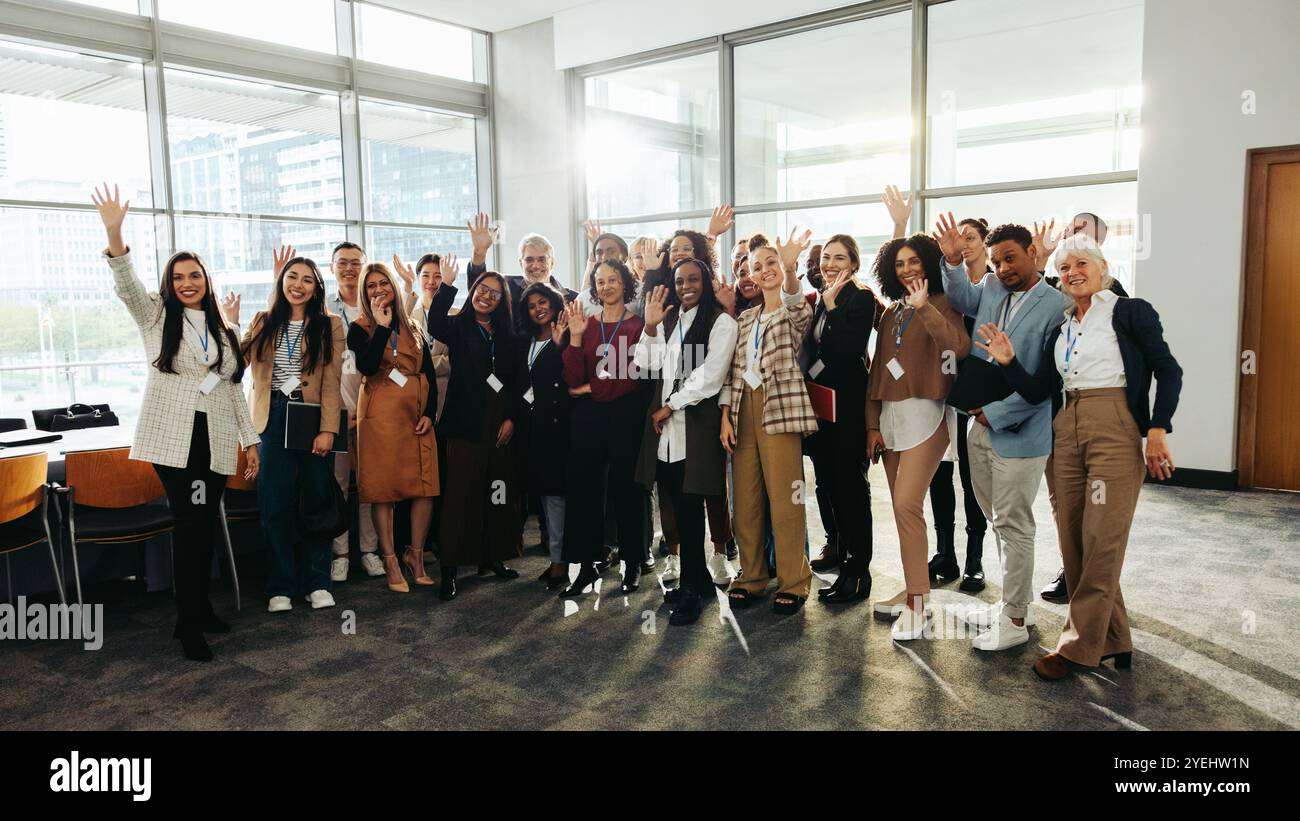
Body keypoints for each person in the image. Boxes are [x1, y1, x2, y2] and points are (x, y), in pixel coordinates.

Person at [971, 233, 1181, 679]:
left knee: (1102, 537)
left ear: (1102, 268)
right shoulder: (1063, 324)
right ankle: (1116, 640)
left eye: (1082, 264)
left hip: (1114, 425)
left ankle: (1077, 647)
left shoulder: (1129, 311)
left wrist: (1157, 428)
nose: (1073, 273)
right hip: (1065, 425)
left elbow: (1169, 369)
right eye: (1065, 268)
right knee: (1074, 538)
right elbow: (1037, 390)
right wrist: (1009, 361)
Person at [94, 184, 260, 663]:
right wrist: (114, 231)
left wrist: (250, 443)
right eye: (179, 276)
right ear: (170, 282)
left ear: (206, 279)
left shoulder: (223, 330)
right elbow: (126, 284)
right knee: (191, 525)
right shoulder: (156, 316)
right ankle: (188, 624)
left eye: (195, 275)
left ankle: (198, 608)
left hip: (215, 440)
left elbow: (231, 388)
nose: (188, 283)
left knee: (204, 524)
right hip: (175, 441)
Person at [934, 214, 1071, 651]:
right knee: (997, 521)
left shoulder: (1058, 305)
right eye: (996, 260)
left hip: (1021, 429)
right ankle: (1020, 604)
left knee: (1015, 524)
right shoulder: (992, 287)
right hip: (979, 423)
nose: (1003, 267)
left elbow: (1051, 383)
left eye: (1010, 257)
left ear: (1033, 253)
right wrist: (953, 261)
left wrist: (998, 412)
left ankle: (1013, 620)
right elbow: (958, 294)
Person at [866, 235, 970, 639]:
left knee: (907, 504)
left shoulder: (944, 304)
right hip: (891, 420)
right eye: (899, 264)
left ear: (928, 263)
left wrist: (925, 307)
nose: (907, 269)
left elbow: (957, 348)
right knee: (902, 509)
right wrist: (872, 425)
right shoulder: (890, 312)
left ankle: (920, 605)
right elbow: (877, 373)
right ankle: (913, 591)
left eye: (914, 261)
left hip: (928, 417)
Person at [232, 253, 345, 613]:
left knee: (317, 501)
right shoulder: (265, 320)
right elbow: (236, 365)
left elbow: (331, 382)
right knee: (274, 504)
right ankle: (280, 585)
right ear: (281, 282)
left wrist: (328, 429)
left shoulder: (331, 324)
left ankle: (317, 581)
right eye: (291, 277)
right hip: (271, 417)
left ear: (317, 288)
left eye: (307, 279)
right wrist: (235, 325)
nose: (298, 285)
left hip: (311, 416)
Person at [633, 259, 738, 625]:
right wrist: (649, 327)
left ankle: (693, 590)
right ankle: (699, 581)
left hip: (695, 427)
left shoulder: (721, 322)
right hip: (667, 433)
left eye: (694, 279)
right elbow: (648, 365)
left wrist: (670, 405)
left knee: (692, 511)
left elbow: (711, 377)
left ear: (706, 282)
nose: (686, 285)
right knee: (677, 508)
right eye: (680, 281)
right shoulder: (672, 319)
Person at [1032, 212, 1129, 605]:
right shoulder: (1055, 288)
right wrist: (1041, 265)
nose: (1074, 238)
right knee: (1065, 505)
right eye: (1071, 232)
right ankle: (1069, 569)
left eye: (1084, 235)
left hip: (1104, 418)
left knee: (1100, 516)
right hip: (1060, 414)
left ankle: (1093, 594)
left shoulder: (1114, 294)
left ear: (1100, 250)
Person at [719, 229, 817, 615]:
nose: (764, 270)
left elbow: (795, 300)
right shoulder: (744, 319)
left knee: (786, 499)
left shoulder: (795, 311)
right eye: (756, 267)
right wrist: (725, 416)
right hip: (743, 410)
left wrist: (791, 266)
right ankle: (751, 575)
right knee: (744, 501)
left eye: (771, 263)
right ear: (751, 277)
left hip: (779, 410)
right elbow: (732, 371)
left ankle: (794, 581)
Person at [424, 267, 521, 600]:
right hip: (465, 422)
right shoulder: (458, 326)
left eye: (495, 292)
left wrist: (511, 418)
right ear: (473, 289)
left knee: (496, 491)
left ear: (501, 300)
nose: (487, 295)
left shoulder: (507, 333)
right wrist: (448, 285)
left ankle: (492, 556)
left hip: (499, 422)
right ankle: (450, 568)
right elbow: (433, 321)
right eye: (483, 288)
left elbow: (517, 380)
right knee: (460, 495)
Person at [348, 263, 440, 594]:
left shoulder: (414, 326)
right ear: (364, 293)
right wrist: (383, 328)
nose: (378, 290)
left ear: (393, 286)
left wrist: (430, 413)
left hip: (416, 416)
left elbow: (427, 371)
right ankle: (389, 559)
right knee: (383, 490)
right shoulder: (359, 328)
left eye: (383, 283)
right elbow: (368, 366)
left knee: (425, 486)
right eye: (370, 286)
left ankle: (415, 555)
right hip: (380, 419)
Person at [559, 259, 649, 597]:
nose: (606, 286)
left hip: (625, 414)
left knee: (628, 489)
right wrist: (577, 338)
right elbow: (571, 378)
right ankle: (584, 567)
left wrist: (591, 389)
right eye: (600, 281)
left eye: (613, 280)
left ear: (625, 284)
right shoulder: (588, 325)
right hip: (589, 419)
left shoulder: (639, 326)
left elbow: (632, 377)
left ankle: (633, 563)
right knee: (584, 491)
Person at [801, 234, 883, 604]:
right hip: (822, 406)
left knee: (851, 489)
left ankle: (857, 572)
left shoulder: (859, 297)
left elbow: (847, 351)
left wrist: (833, 308)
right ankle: (843, 558)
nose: (830, 264)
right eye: (825, 258)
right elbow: (817, 352)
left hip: (848, 406)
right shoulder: (823, 296)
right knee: (830, 485)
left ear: (853, 262)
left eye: (838, 257)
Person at [927, 217, 991, 592]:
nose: (964, 243)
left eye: (970, 237)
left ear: (984, 242)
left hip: (975, 396)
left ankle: (975, 559)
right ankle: (946, 552)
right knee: (939, 476)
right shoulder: (945, 283)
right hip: (941, 392)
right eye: (957, 238)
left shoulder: (994, 287)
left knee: (971, 479)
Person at [326, 241, 382, 582]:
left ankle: (369, 551)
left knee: (371, 484)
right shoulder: (323, 308)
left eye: (356, 263)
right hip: (338, 410)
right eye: (343, 263)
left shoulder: (376, 307)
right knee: (338, 484)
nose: (349, 268)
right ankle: (341, 553)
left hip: (374, 411)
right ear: (333, 268)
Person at [515, 282, 573, 590]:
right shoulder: (525, 338)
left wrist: (562, 343)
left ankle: (561, 562)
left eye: (543, 302)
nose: (538, 308)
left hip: (558, 427)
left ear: (553, 304)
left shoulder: (565, 334)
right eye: (532, 304)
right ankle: (556, 558)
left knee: (557, 498)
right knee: (546, 497)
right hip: (531, 427)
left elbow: (573, 375)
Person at [465, 213, 577, 313]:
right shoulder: (505, 287)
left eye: (542, 259)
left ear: (552, 262)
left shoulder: (571, 298)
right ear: (520, 263)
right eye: (529, 260)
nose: (536, 265)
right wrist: (479, 252)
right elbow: (478, 290)